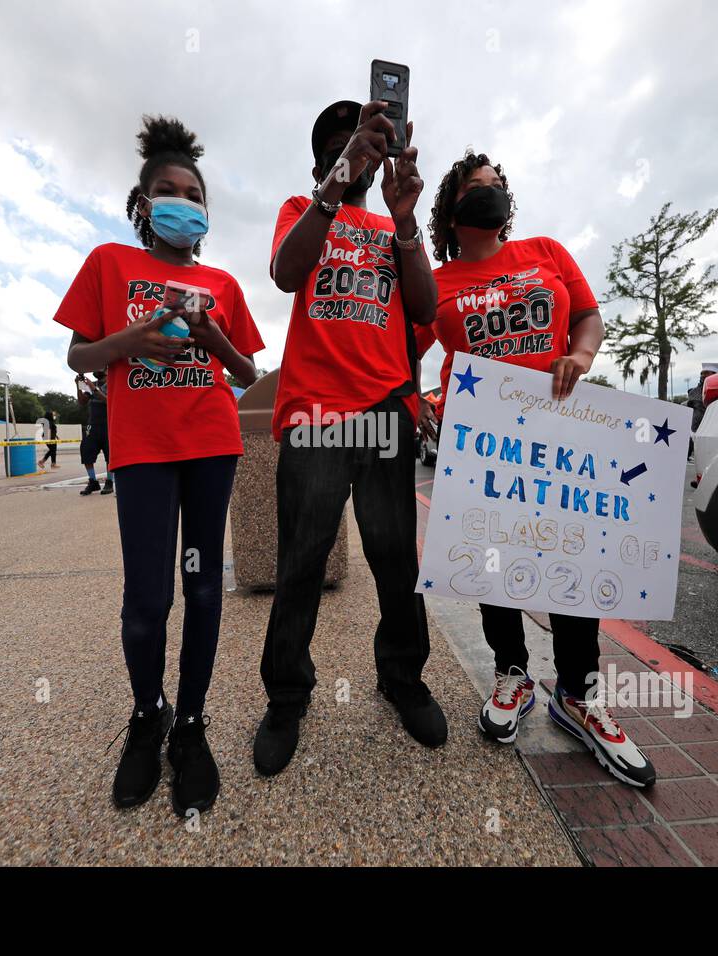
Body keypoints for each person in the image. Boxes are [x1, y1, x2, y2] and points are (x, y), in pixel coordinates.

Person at [415, 149, 655, 788]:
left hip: (557, 434)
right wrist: (412, 405)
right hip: (483, 440)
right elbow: (399, 352)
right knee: (496, 562)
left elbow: (588, 315)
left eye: (496, 185)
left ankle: (577, 692)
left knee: (570, 561)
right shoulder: (435, 284)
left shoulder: (545, 252)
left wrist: (580, 353)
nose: (489, 193)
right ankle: (512, 673)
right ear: (453, 206)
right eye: (475, 187)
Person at [54, 115, 264, 816]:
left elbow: (247, 370)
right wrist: (130, 339)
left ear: (205, 210)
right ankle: (150, 714)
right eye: (168, 191)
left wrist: (211, 334)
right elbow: (78, 357)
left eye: (194, 193)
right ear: (144, 205)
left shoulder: (223, 284)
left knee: (202, 590)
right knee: (148, 601)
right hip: (143, 454)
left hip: (211, 447)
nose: (182, 202)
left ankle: (194, 727)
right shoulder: (109, 264)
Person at [253, 98, 445, 777]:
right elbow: (284, 274)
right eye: (342, 145)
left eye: (365, 143)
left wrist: (405, 219)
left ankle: (402, 678)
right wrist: (335, 185)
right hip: (314, 415)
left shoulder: (389, 219)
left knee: (395, 559)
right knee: (301, 560)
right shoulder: (301, 209)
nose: (358, 153)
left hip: (385, 411)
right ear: (321, 162)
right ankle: (286, 696)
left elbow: (424, 309)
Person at [76, 371, 113, 494]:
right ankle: (93, 482)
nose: (95, 369)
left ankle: (109, 482)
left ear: (107, 370)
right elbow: (82, 402)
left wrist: (94, 388)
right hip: (92, 425)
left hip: (108, 425)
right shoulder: (93, 384)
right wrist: (79, 386)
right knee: (86, 452)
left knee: (110, 456)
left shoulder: (112, 383)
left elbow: (109, 401)